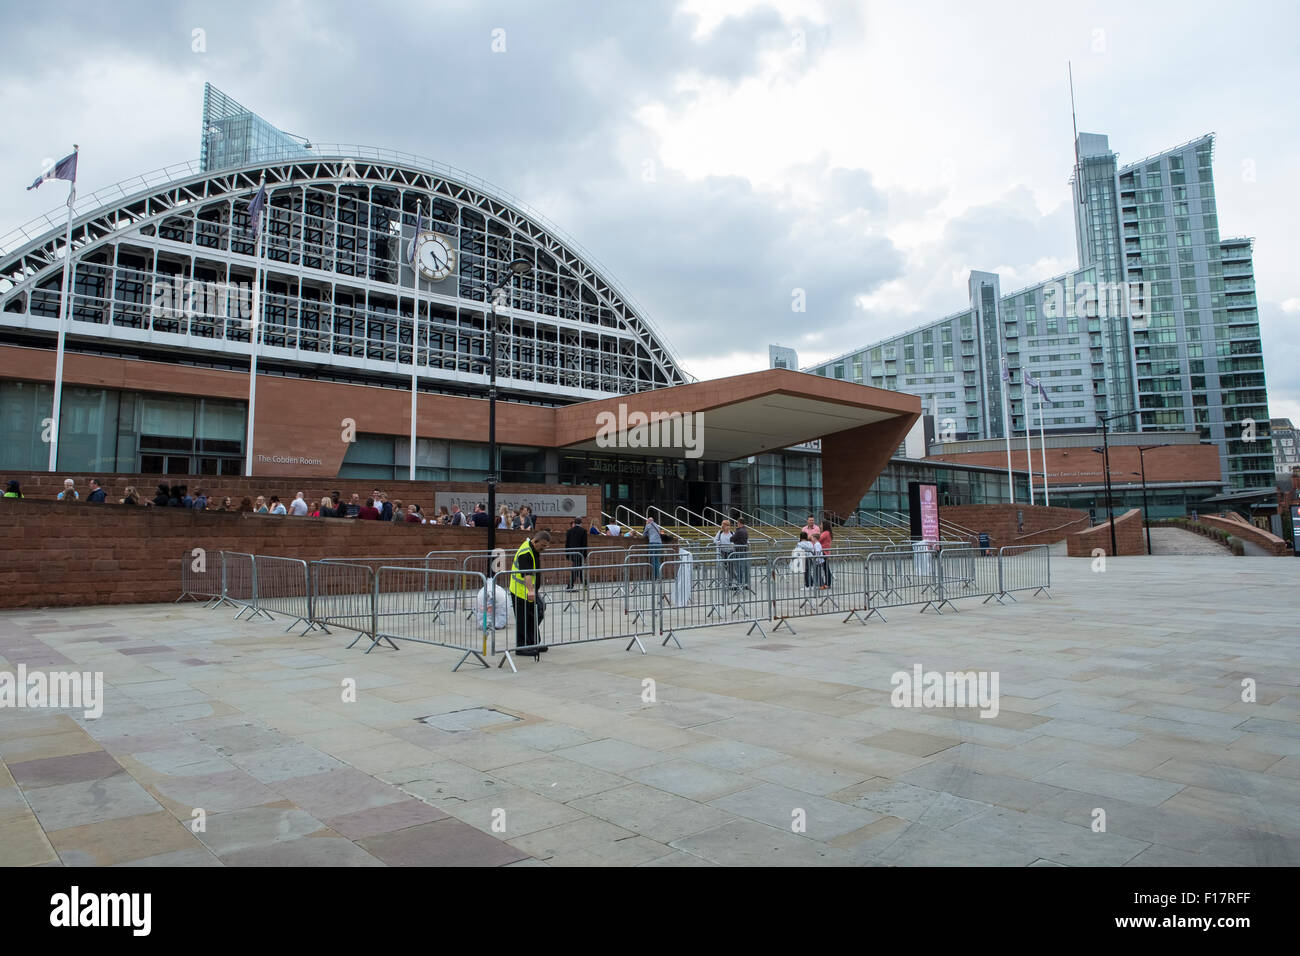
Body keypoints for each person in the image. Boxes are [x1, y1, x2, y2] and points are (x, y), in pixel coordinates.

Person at [509, 529, 551, 657]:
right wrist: (531, 591)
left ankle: (533, 642)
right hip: (521, 591)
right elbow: (526, 574)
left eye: (546, 546)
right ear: (535, 541)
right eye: (542, 545)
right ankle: (521, 647)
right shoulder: (526, 552)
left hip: (529, 591)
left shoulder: (534, 549)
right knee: (523, 619)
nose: (544, 548)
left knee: (536, 614)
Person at [564, 517, 588, 590]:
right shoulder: (583, 531)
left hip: (572, 553)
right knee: (577, 569)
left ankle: (582, 584)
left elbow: (567, 544)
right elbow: (584, 544)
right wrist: (585, 555)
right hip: (580, 553)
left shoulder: (569, 531)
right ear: (581, 523)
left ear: (574, 523)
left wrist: (567, 554)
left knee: (578, 569)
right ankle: (571, 585)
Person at [713, 519, 737, 587]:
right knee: (726, 568)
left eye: (729, 525)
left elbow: (735, 541)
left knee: (731, 567)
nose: (728, 527)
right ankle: (734, 578)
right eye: (727, 525)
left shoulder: (732, 533)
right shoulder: (720, 533)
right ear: (723, 526)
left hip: (731, 552)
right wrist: (718, 542)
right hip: (723, 552)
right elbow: (714, 540)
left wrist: (733, 544)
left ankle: (731, 582)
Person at [643, 515, 664, 580]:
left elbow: (644, 534)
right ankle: (659, 576)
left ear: (649, 521)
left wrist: (646, 525)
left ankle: (654, 577)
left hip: (652, 543)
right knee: (657, 560)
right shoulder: (657, 526)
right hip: (659, 543)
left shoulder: (648, 525)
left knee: (653, 560)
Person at [732, 517, 751, 589]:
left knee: (739, 567)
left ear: (739, 523)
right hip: (744, 550)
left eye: (737, 523)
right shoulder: (745, 530)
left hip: (739, 551)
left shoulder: (739, 531)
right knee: (744, 567)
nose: (737, 524)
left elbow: (732, 538)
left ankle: (740, 582)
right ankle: (745, 583)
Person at [818, 522, 833, 589]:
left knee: (826, 568)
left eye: (821, 524)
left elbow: (818, 539)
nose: (820, 526)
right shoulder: (827, 533)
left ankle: (827, 583)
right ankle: (826, 583)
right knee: (825, 568)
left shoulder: (826, 533)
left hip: (824, 552)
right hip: (825, 552)